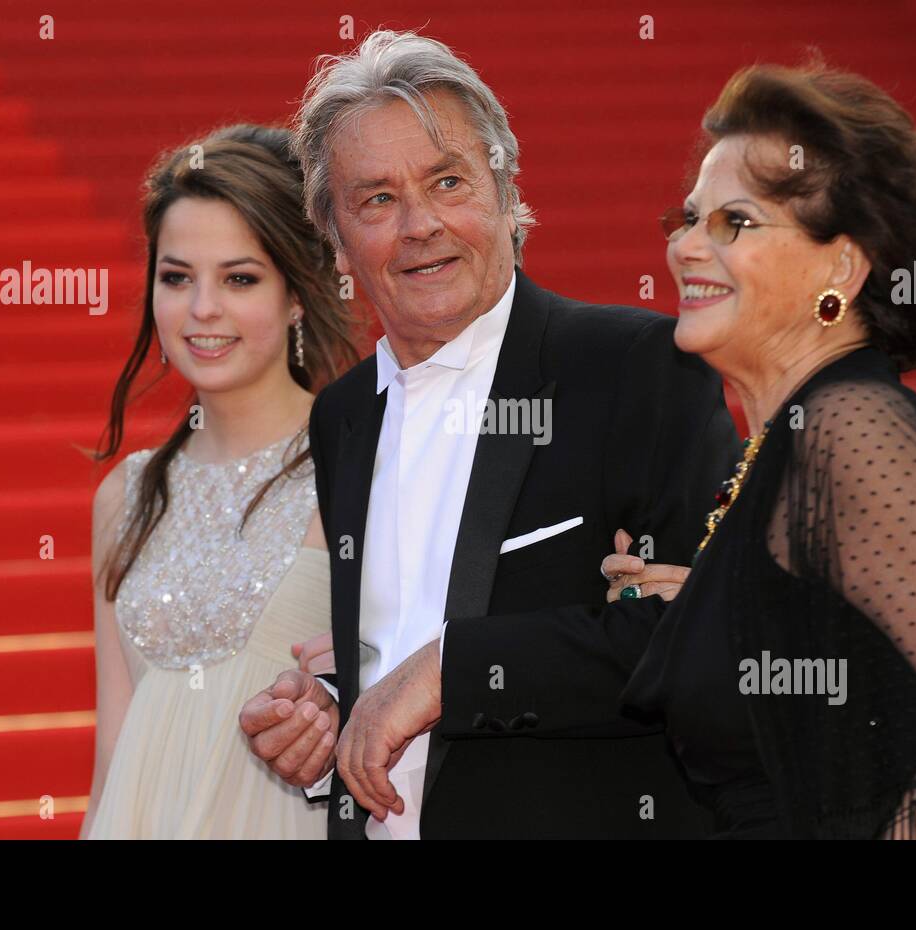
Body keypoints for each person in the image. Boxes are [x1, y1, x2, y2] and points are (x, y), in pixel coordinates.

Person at [240, 29, 741, 839]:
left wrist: (450, 671)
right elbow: (387, 650)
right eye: (377, 200)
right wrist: (330, 714)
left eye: (448, 182)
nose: (420, 225)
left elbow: (695, 640)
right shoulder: (342, 417)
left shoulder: (633, 370)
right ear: (333, 238)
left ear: (508, 195)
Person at [606, 64, 916, 838]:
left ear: (841, 267)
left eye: (732, 223)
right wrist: (714, 607)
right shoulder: (790, 440)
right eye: (687, 217)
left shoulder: (851, 430)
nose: (683, 248)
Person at [81, 124, 359, 839]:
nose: (202, 309)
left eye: (240, 278)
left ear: (298, 293)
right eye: (177, 278)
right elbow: (113, 744)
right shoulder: (126, 496)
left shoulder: (354, 466)